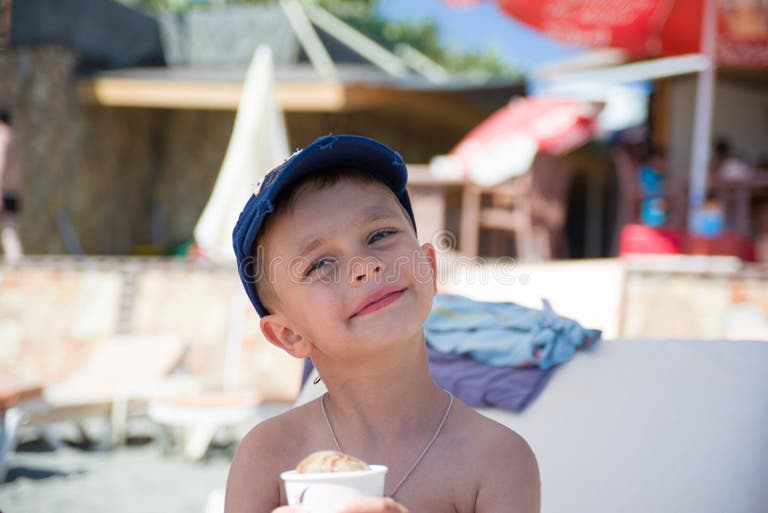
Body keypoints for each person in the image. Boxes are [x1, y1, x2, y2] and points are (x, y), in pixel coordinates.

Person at [226, 135, 540, 513]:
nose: (365, 266)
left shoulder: (497, 459)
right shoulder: (269, 456)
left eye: (380, 235)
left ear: (429, 267)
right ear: (289, 334)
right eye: (321, 264)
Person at [0, 108, 24, 263]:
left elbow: (1, 164)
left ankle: (16, 265)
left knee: (8, 230)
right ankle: (16, 263)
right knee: (10, 229)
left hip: (2, 190)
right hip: (14, 191)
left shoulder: (3, 138)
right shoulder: (16, 139)